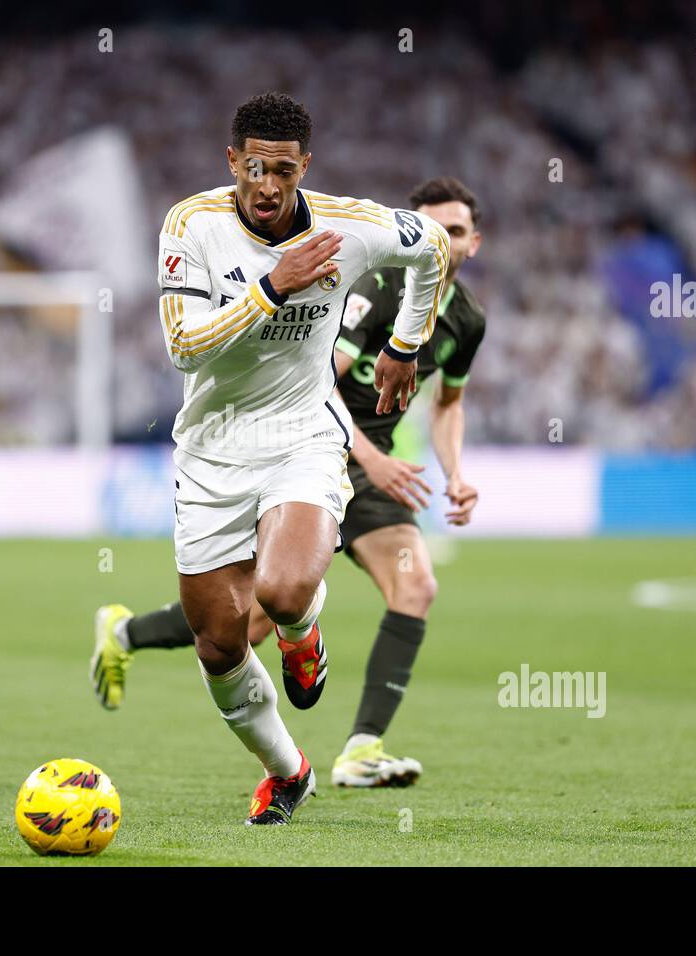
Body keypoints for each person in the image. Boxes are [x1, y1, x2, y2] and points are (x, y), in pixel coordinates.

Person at [110, 92, 447, 825]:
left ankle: (303, 633)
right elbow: (181, 345)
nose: (268, 185)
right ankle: (288, 771)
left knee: (285, 592)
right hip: (210, 449)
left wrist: (405, 345)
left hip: (302, 432)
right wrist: (272, 287)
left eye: (284, 171)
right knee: (217, 642)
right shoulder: (190, 224)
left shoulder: (350, 225)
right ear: (232, 161)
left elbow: (434, 248)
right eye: (254, 167)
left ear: (305, 168)